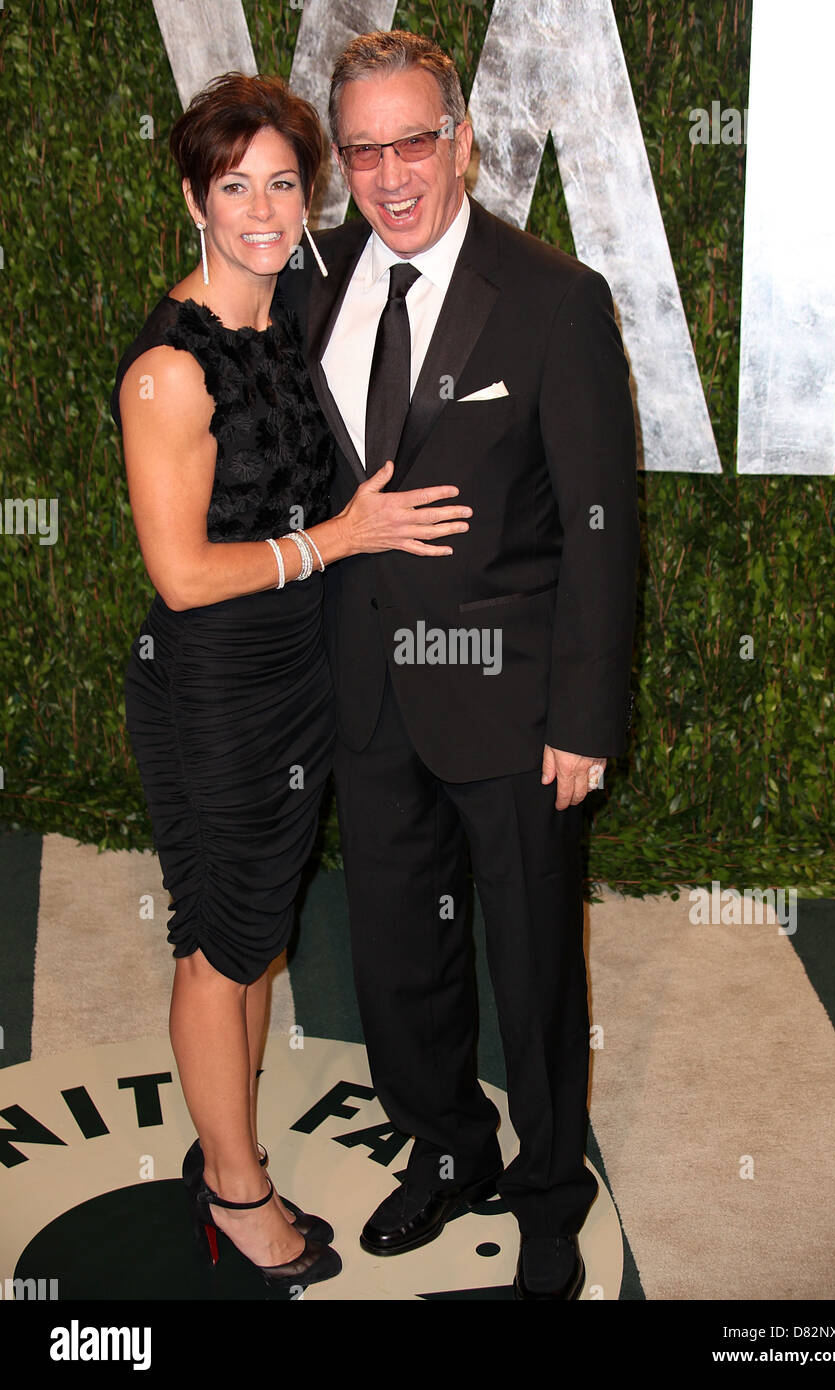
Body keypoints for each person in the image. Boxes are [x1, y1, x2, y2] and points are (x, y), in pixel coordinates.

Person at [275, 30, 639, 1300]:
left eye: (412, 140)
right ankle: (447, 1147)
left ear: (462, 140)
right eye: (362, 149)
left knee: (531, 959)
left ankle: (549, 1190)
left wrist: (583, 716)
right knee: (395, 949)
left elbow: (602, 522)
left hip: (512, 691)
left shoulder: (551, 298)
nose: (389, 173)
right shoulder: (313, 276)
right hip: (367, 692)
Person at [110, 71, 472, 1294]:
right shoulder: (170, 368)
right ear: (192, 197)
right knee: (222, 945)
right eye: (236, 185)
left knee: (257, 937)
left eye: (283, 181)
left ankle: (229, 1146)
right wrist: (338, 541)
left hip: (301, 669)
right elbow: (180, 574)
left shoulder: (294, 311)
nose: (264, 208)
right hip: (217, 681)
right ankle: (233, 1187)